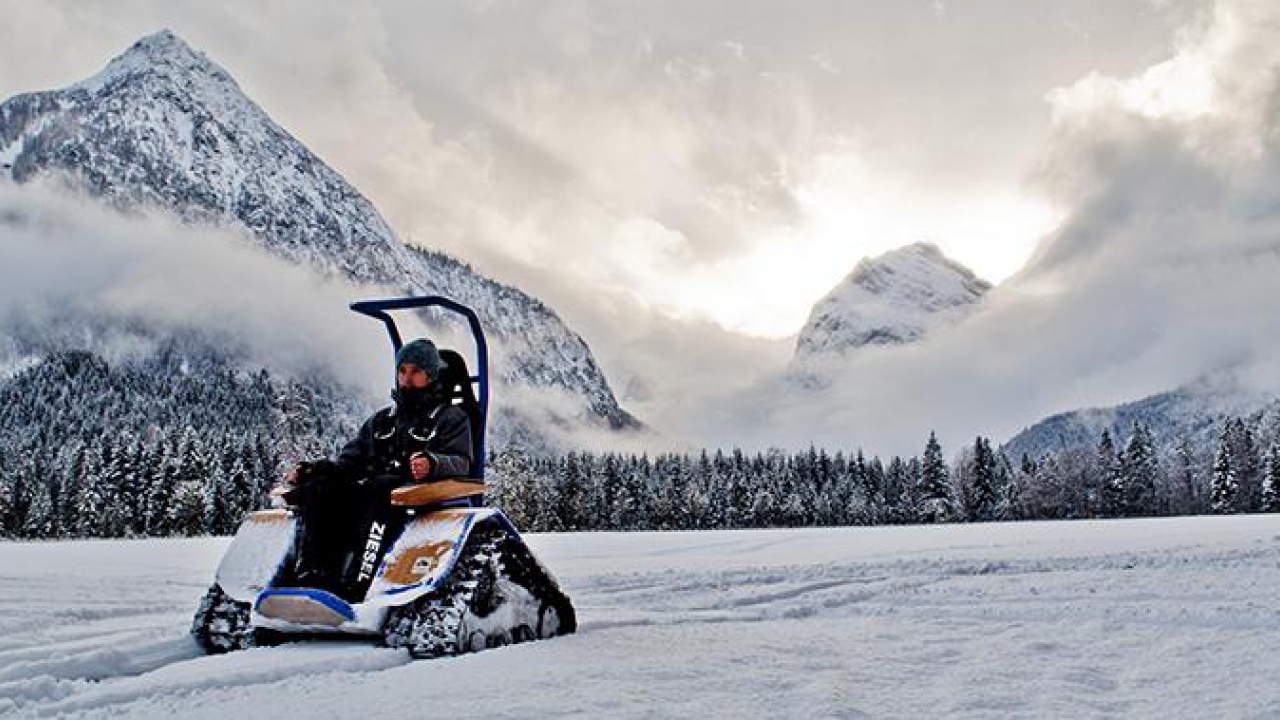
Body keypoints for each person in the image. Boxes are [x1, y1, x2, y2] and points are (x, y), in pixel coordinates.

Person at [284, 338, 473, 594]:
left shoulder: (450, 418)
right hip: (373, 489)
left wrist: (432, 463)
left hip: (414, 496)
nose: (407, 378)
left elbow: (461, 462)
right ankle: (312, 575)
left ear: (430, 376)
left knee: (379, 489)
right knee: (321, 487)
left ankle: (357, 584)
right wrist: (315, 470)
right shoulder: (383, 421)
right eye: (402, 371)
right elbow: (349, 461)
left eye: (416, 371)